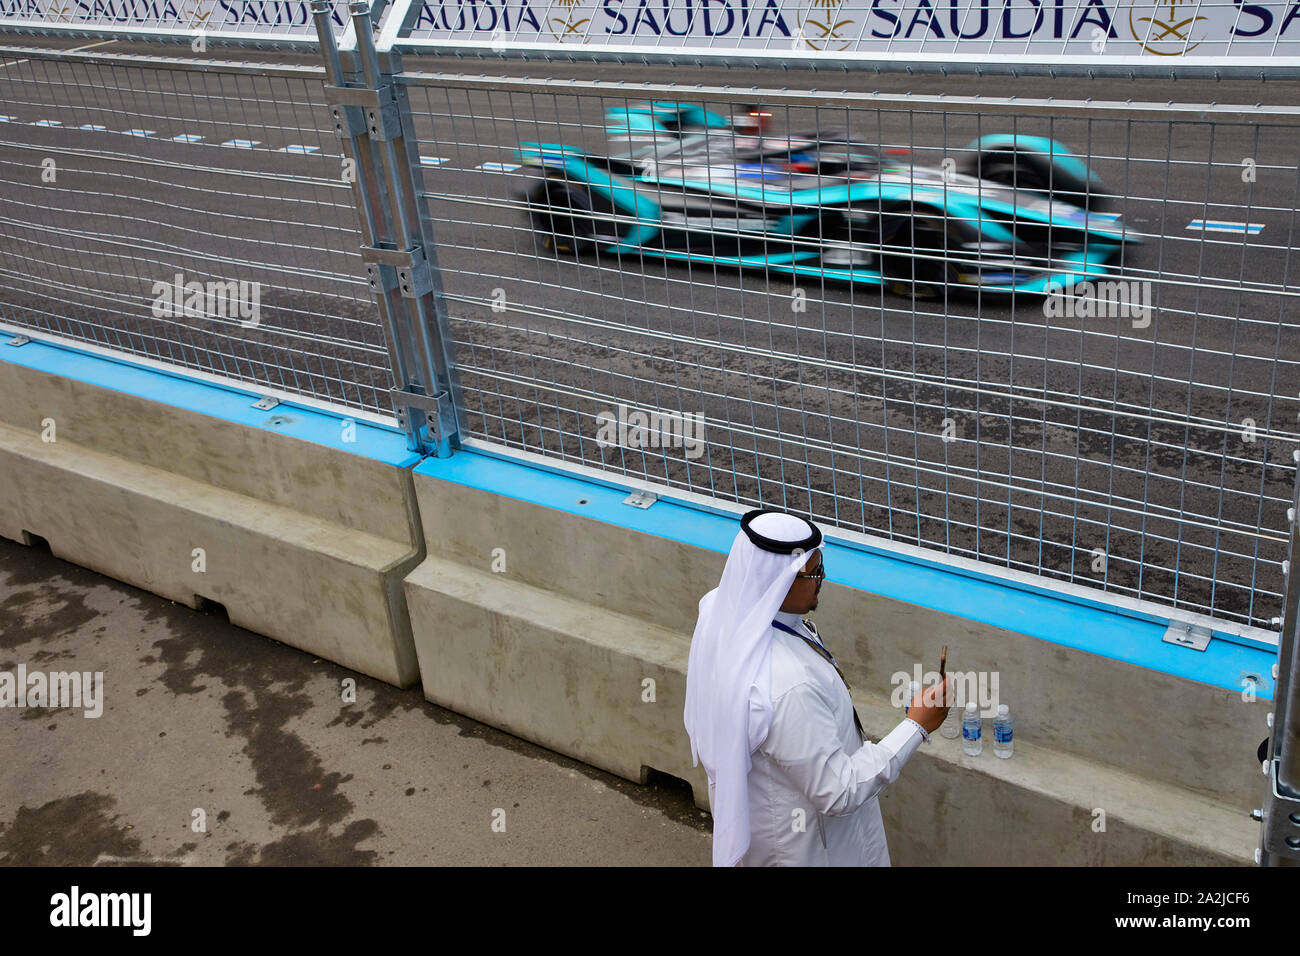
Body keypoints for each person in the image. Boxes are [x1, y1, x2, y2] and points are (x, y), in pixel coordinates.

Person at [684, 508, 951, 866]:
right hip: (808, 848)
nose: (822, 579)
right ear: (779, 580)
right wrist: (917, 725)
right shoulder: (789, 686)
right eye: (814, 573)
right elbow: (838, 791)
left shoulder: (724, 607)